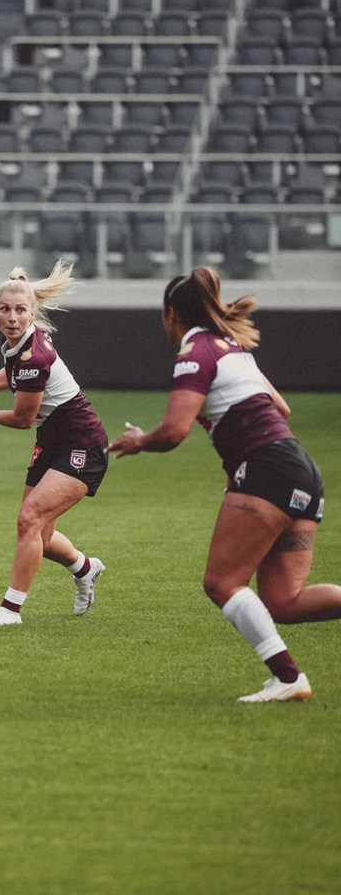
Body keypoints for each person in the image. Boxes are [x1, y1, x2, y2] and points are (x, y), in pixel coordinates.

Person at [107, 266, 337, 704]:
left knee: (221, 582)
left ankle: (288, 678)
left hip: (267, 469)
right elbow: (281, 408)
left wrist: (139, 441)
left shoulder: (195, 350)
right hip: (299, 469)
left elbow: (174, 431)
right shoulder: (232, 347)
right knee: (283, 601)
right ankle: (287, 679)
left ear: (169, 313)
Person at [0, 260, 108, 626]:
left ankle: (11, 610)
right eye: (5, 310)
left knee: (29, 520)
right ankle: (86, 568)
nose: (12, 317)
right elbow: (13, 372)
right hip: (52, 442)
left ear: (32, 312)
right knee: (40, 533)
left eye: (20, 311)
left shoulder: (34, 355)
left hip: (82, 443)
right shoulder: (19, 345)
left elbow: (22, 418)